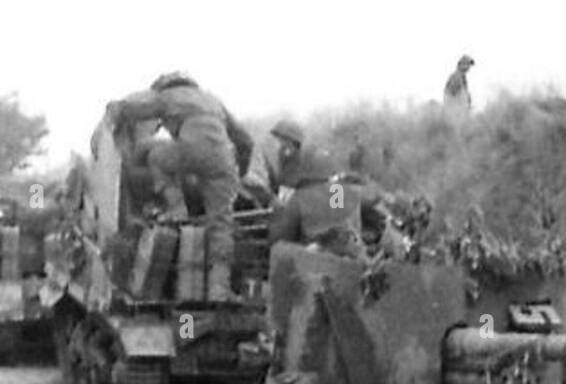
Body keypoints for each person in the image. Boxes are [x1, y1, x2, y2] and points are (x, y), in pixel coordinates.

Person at [106, 72, 254, 301]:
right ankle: (218, 290)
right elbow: (245, 141)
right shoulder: (213, 101)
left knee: (156, 157)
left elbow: (130, 108)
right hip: (222, 162)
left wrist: (113, 114)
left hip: (190, 151)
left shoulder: (168, 97)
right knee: (221, 225)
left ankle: (177, 210)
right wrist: (239, 173)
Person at [268, 150, 388, 260]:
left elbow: (281, 238)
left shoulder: (299, 198)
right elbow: (372, 198)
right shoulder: (340, 190)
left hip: (317, 262)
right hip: (353, 255)